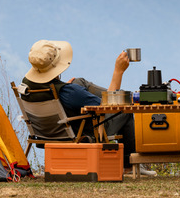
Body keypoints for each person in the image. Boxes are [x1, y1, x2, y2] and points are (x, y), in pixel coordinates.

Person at [20, 40, 155, 175]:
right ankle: (128, 165)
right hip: (88, 130)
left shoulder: (27, 86)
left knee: (80, 82)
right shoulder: (69, 92)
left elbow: (61, 93)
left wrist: (67, 90)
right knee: (125, 109)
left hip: (46, 131)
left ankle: (116, 94)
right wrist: (118, 71)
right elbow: (106, 109)